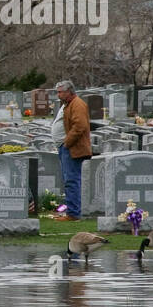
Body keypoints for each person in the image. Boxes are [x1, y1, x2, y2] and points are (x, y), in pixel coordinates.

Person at [52, 80, 91, 220]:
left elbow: (80, 126)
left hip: (73, 148)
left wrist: (67, 143)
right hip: (67, 148)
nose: (58, 95)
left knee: (71, 180)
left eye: (60, 92)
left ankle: (73, 213)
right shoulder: (68, 104)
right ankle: (72, 211)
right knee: (69, 180)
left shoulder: (77, 104)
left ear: (69, 91)